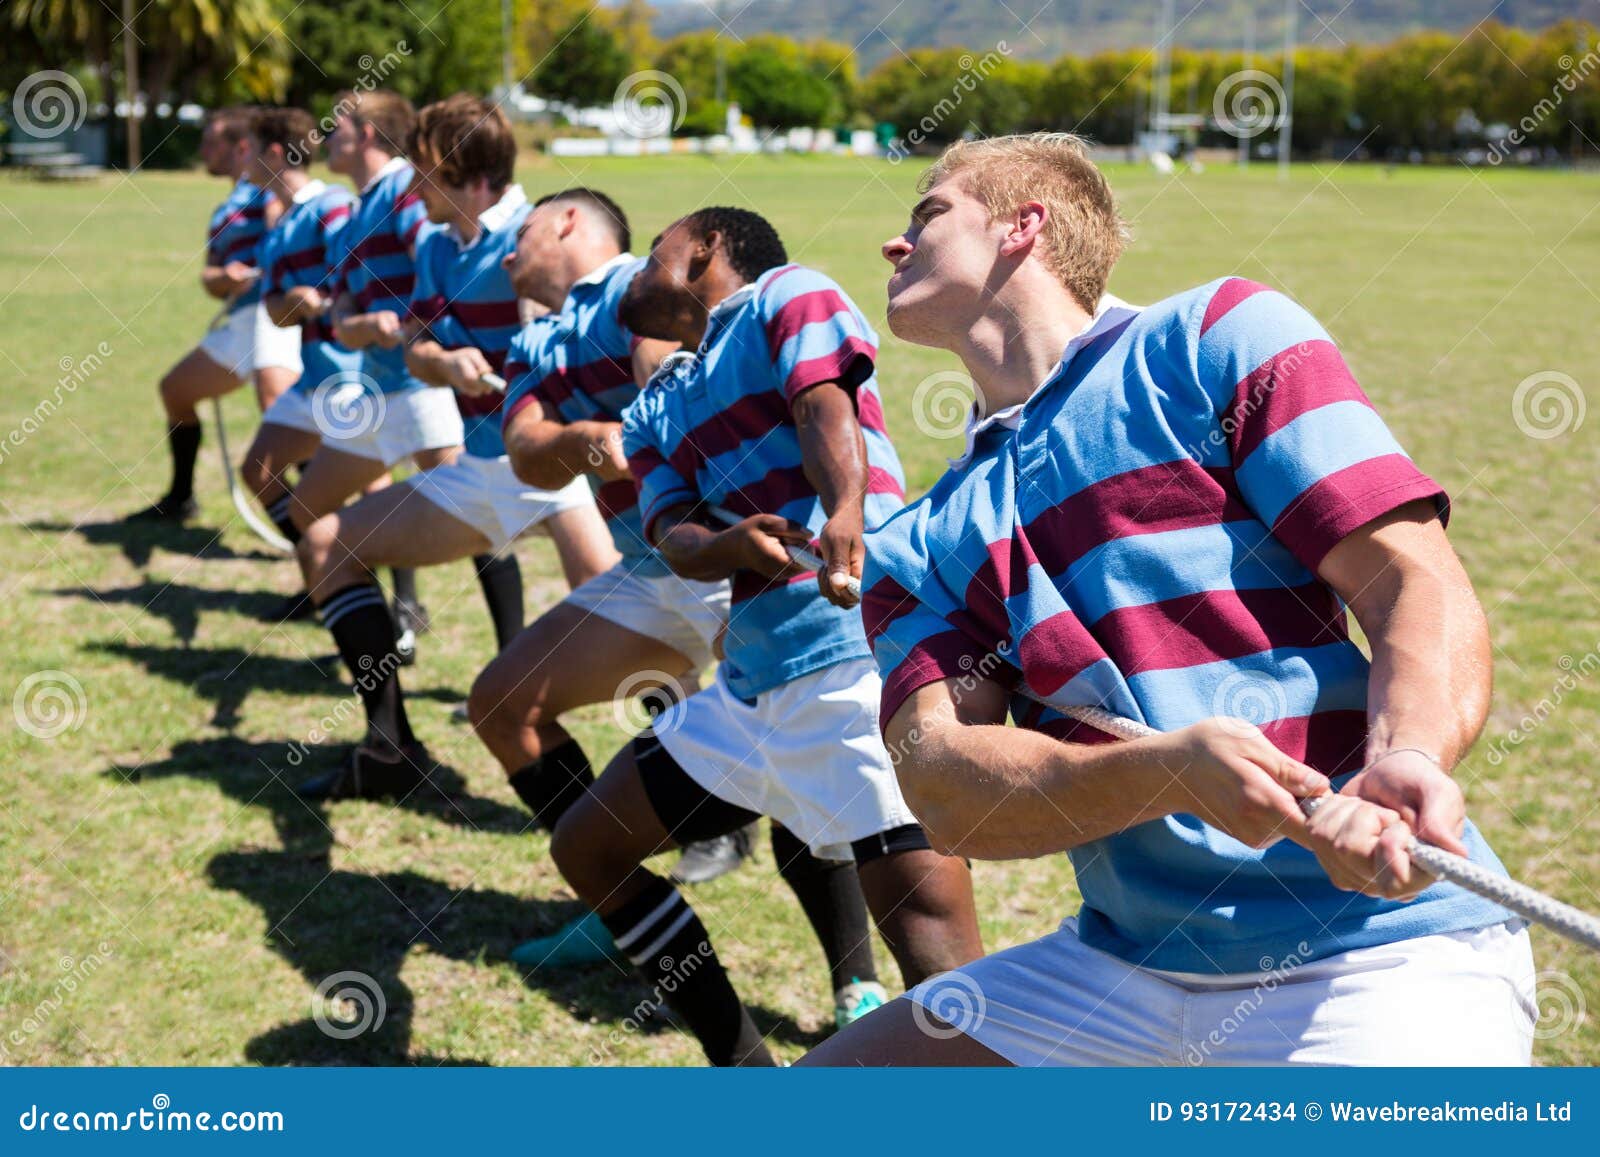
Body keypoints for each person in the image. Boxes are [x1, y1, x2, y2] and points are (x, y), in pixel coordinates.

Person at [803, 132, 1534, 1067]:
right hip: (1122, 971)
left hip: (1380, 953)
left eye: (929, 214)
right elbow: (942, 785)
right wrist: (1169, 771)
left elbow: (1412, 581)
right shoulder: (918, 537)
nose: (893, 246)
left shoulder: (1217, 338)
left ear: (1025, 226)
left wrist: (1408, 756)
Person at [547, 207, 984, 1065]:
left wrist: (848, 510)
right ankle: (746, 1071)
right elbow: (671, 531)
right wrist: (721, 546)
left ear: (706, 250)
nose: (637, 272)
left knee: (933, 949)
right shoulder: (655, 404)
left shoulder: (789, 294)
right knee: (589, 845)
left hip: (853, 659)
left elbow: (826, 407)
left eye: (655, 253)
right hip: (750, 687)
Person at [471, 194, 887, 1027]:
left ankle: (855, 982)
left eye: (520, 232)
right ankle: (614, 891)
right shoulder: (533, 340)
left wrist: (643, 415)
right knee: (501, 704)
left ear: (566, 227)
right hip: (660, 562)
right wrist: (582, 439)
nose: (504, 250)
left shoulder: (646, 292)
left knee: (796, 740)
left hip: (736, 553)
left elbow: (674, 372)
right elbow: (526, 454)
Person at [294, 95, 614, 801]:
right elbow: (416, 343)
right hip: (481, 469)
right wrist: (445, 363)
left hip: (560, 465)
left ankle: (718, 815)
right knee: (325, 545)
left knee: (640, 627)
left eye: (425, 172)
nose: (411, 187)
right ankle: (389, 750)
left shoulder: (535, 240)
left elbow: (597, 351)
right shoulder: (437, 244)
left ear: (471, 179)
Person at [130, 107, 301, 521]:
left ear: (243, 147)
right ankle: (182, 497)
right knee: (176, 390)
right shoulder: (226, 206)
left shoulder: (264, 190)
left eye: (212, 142)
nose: (203, 150)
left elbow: (285, 218)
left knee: (286, 418)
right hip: (238, 323)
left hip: (270, 319)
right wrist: (223, 277)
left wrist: (267, 261)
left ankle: (315, 527)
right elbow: (208, 279)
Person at [233, 105, 370, 619]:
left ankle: (401, 609)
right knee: (259, 469)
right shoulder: (280, 223)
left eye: (249, 149)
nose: (243, 161)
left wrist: (322, 297)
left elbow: (357, 272)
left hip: (352, 374)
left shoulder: (330, 204)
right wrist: (292, 300)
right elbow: (274, 308)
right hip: (312, 376)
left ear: (273, 153)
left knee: (372, 490)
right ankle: (326, 568)